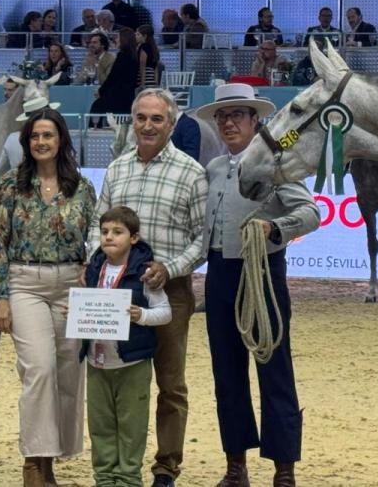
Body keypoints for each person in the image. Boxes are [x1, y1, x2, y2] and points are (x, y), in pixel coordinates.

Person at [194, 83, 320, 487]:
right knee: (226, 373)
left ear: (254, 121)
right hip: (220, 273)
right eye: (223, 116)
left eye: (237, 115)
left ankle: (284, 469)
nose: (229, 123)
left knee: (274, 369)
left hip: (262, 272)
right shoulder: (213, 169)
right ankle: (236, 467)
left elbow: (310, 212)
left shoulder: (274, 164)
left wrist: (274, 228)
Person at [92, 88, 208, 487]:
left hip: (169, 291)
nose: (147, 125)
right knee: (118, 378)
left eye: (157, 119)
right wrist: (96, 265)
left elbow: (202, 238)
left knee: (170, 384)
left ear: (171, 124)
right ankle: (119, 467)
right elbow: (97, 226)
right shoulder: (116, 169)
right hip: (118, 295)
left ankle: (165, 467)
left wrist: (169, 268)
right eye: (141, 117)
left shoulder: (191, 173)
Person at [0, 107, 96, 487]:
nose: (40, 142)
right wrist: (1, 295)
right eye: (34, 136)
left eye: (47, 135)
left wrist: (92, 270)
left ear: (61, 139)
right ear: (26, 141)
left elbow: (94, 237)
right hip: (25, 283)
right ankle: (34, 463)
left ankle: (53, 459)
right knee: (39, 369)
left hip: (71, 285)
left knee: (69, 373)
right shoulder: (9, 185)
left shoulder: (82, 188)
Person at [81, 206, 173, 487]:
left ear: (134, 238)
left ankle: (129, 479)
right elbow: (86, 305)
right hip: (97, 361)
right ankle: (104, 479)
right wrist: (76, 314)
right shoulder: (93, 269)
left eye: (117, 232)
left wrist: (141, 315)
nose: (109, 237)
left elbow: (165, 312)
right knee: (100, 425)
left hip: (132, 362)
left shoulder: (145, 273)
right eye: (104, 232)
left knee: (132, 426)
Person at [90, 28, 140, 118]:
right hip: (128, 96)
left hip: (118, 96)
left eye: (117, 37)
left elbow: (112, 77)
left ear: (123, 39)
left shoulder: (122, 56)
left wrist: (101, 91)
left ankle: (95, 126)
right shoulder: (134, 56)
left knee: (96, 106)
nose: (115, 40)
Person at [137, 24, 162, 89]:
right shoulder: (154, 48)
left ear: (145, 36)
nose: (136, 37)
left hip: (145, 79)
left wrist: (142, 84)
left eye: (138, 34)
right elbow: (156, 67)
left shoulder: (143, 47)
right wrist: (156, 83)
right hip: (152, 79)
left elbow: (142, 66)